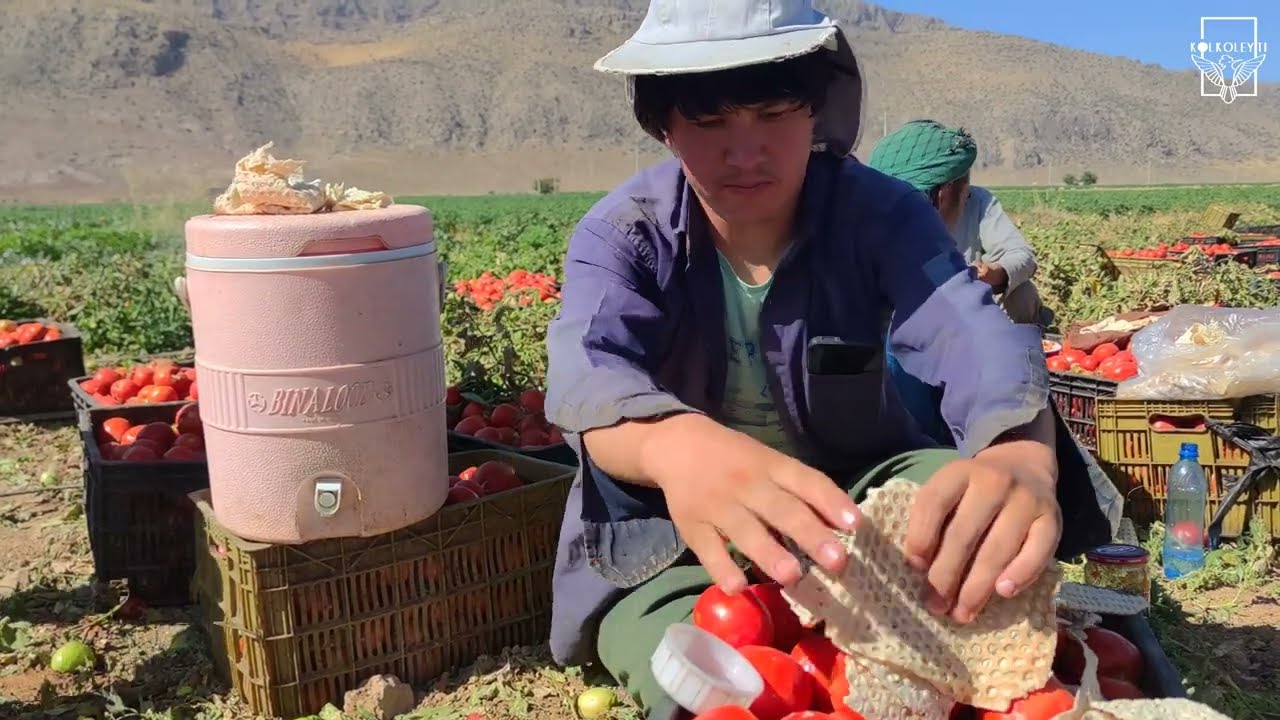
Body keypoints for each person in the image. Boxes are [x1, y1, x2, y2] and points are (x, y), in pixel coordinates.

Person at [542, 0, 1111, 711]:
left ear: (816, 111)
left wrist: (1020, 457)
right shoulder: (623, 235)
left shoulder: (880, 214)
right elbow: (587, 371)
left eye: (775, 113)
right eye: (710, 122)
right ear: (663, 125)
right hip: (677, 534)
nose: (745, 153)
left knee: (954, 495)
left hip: (853, 498)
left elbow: (973, 332)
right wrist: (673, 447)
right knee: (690, 672)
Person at [867, 120, 1052, 328]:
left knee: (1022, 292)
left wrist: (996, 273)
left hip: (964, 314)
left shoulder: (979, 201)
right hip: (901, 328)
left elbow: (1021, 254)